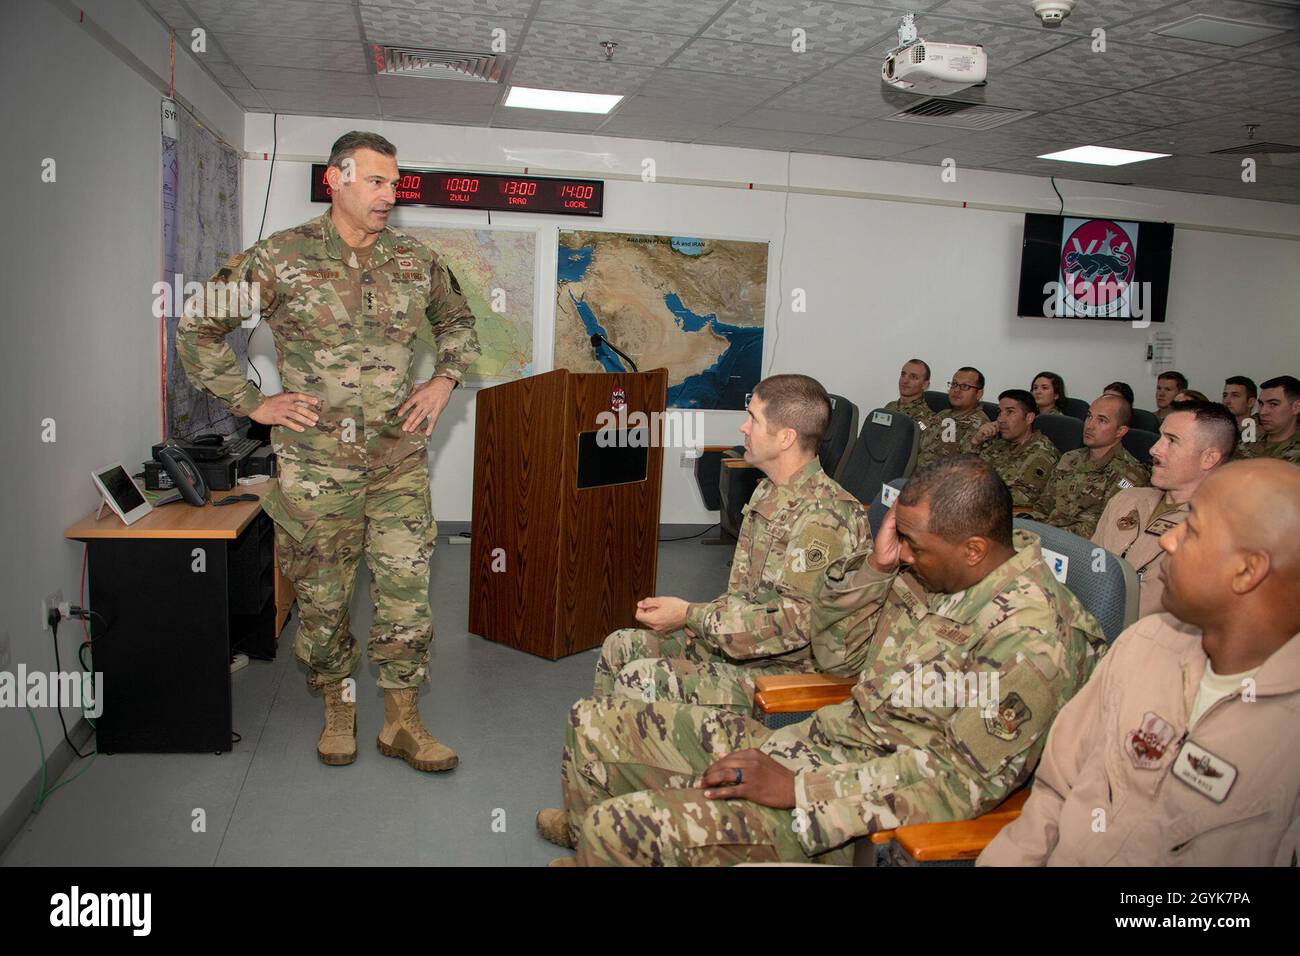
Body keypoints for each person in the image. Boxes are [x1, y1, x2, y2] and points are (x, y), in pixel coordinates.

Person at [537, 457, 1107, 865]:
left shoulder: (1033, 640)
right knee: (593, 724)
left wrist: (802, 789)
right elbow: (839, 658)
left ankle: (609, 846)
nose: (902, 552)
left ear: (974, 548)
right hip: (817, 744)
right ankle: (600, 850)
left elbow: (960, 785)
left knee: (622, 827)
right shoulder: (933, 577)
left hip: (851, 814)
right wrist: (874, 570)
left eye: (912, 544)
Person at [178, 131, 481, 771]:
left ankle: (402, 720)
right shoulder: (281, 259)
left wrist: (443, 379)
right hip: (316, 470)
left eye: (394, 184)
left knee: (408, 596)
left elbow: (458, 323)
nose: (389, 196)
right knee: (322, 598)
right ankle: (338, 704)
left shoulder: (414, 260)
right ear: (334, 182)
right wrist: (251, 402)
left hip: (397, 463)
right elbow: (199, 322)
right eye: (376, 181)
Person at [980, 460, 1300, 866]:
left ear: (1247, 571)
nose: (1168, 542)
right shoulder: (1143, 644)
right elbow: (1053, 794)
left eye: (1193, 530)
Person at [593, 374, 870, 714]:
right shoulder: (770, 490)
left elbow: (796, 625)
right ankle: (613, 753)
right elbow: (749, 595)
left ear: (786, 438)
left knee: (642, 678)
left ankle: (642, 755)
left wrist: (693, 617)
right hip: (744, 648)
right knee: (620, 646)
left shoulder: (826, 517)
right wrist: (704, 620)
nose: (743, 428)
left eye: (753, 418)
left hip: (783, 674)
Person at [1092, 401, 1236, 618]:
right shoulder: (1127, 499)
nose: (1154, 449)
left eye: (1171, 440)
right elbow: (1089, 566)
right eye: (1160, 437)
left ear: (1209, 458)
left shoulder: (1218, 529)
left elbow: (1149, 613)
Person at [1033, 394, 1150, 538]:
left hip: (1081, 548)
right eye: (1089, 416)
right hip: (1046, 538)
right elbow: (1043, 506)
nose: (1089, 425)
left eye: (1102, 420)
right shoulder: (1070, 458)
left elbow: (1105, 530)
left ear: (1120, 431)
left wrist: (1048, 535)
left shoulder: (1129, 474)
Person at [973, 389, 1060, 514]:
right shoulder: (999, 443)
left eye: (1010, 412)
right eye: (1000, 412)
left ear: (1029, 418)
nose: (1001, 419)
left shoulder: (1042, 455)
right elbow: (968, 470)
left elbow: (1020, 500)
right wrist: (976, 441)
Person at [915, 366, 990, 467]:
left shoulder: (981, 426)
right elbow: (922, 428)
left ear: (979, 394)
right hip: (915, 472)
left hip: (939, 479)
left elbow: (966, 465)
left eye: (965, 386)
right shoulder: (943, 414)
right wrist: (916, 422)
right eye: (954, 384)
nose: (956, 390)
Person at [1237, 375, 1300, 464]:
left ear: (1296, 407)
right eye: (1261, 404)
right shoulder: (1248, 439)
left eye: (1273, 404)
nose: (1263, 412)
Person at [1222, 374, 1259, 443]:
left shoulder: (1262, 433)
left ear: (1250, 402)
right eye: (1225, 395)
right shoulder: (1218, 430)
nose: (1227, 401)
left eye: (1235, 395)